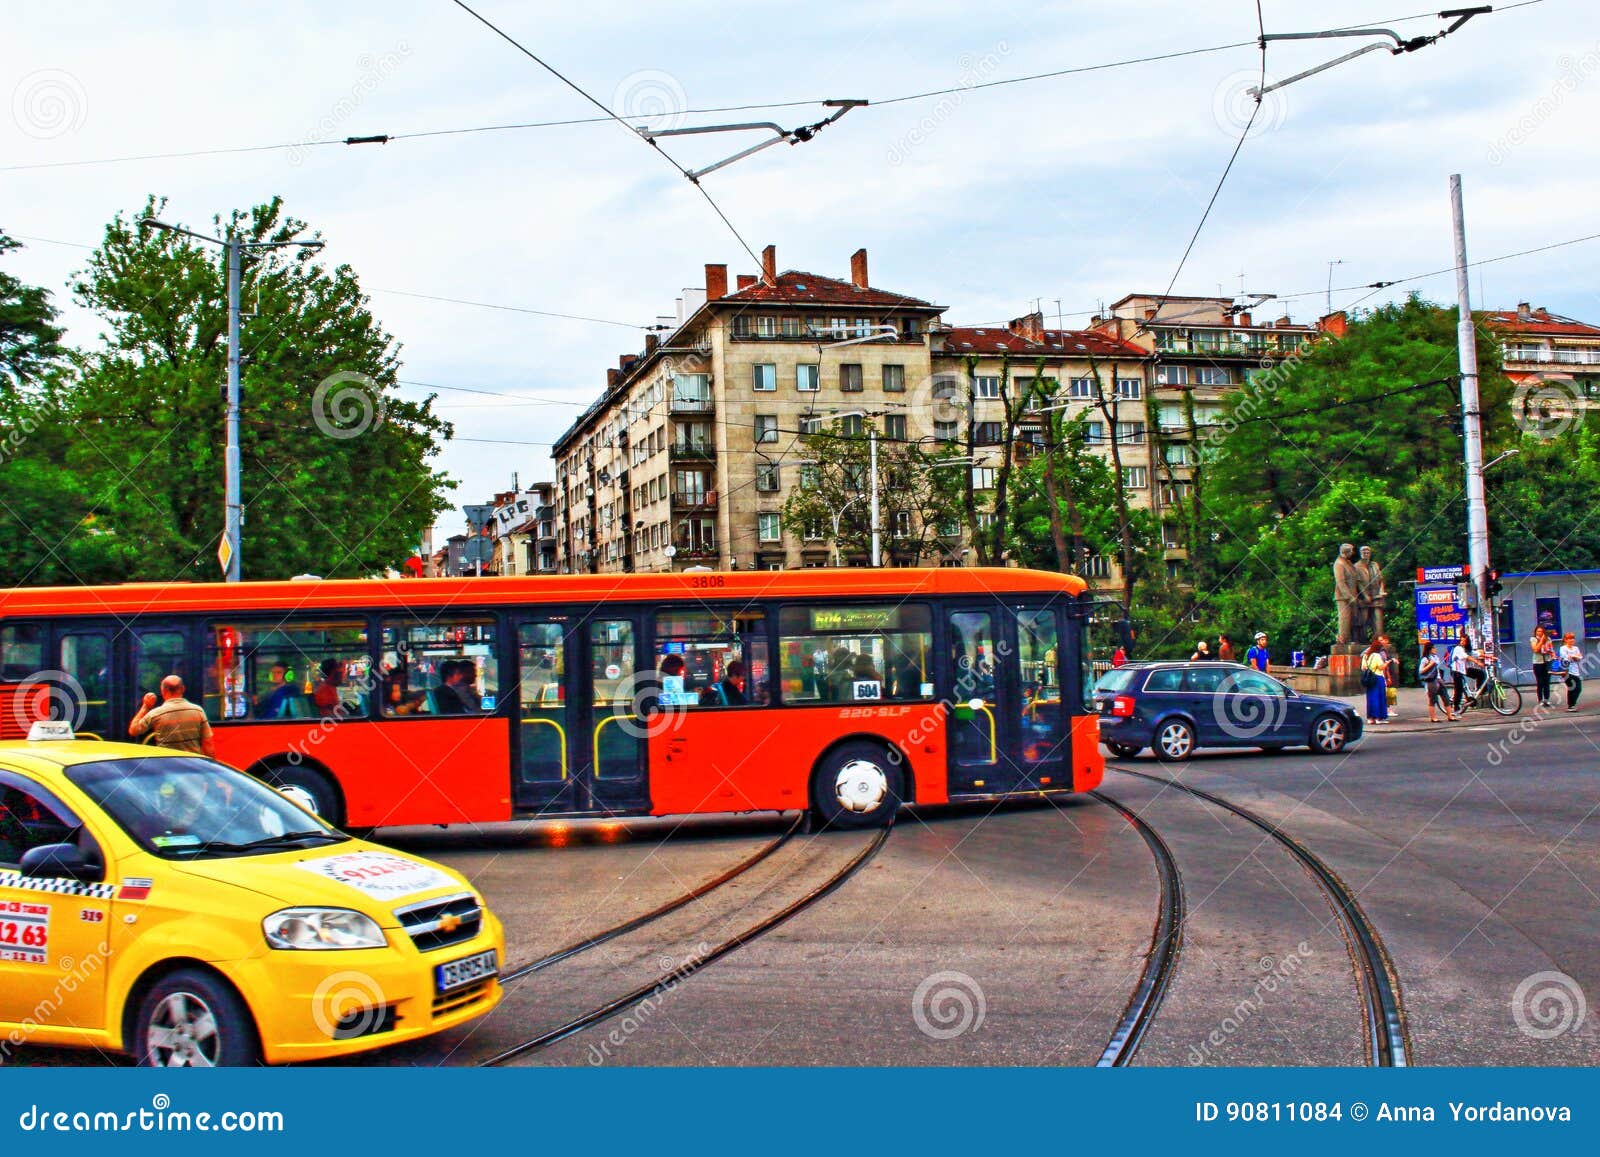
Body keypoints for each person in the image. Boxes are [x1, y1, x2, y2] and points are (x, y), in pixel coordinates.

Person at [128, 675, 216, 756]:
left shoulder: (156, 714)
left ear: (163, 691)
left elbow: (133, 730)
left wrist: (145, 706)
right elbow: (207, 743)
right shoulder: (198, 711)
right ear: (182, 689)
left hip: (169, 765)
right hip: (192, 764)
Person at [1418, 641, 1456, 723]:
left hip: (1438, 679)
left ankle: (1450, 716)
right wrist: (1430, 664)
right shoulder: (1425, 659)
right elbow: (1421, 671)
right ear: (1429, 649)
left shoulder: (1435, 657)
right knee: (1433, 699)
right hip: (1431, 681)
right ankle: (1433, 717)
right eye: (1433, 648)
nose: (1435, 649)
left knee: (1445, 697)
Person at [1449, 635, 1484, 712]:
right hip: (1456, 671)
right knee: (1459, 690)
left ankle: (1478, 692)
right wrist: (1477, 662)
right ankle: (1456, 710)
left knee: (1481, 673)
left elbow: (1475, 654)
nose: (1462, 642)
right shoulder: (1458, 648)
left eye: (1464, 641)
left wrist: (1490, 657)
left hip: (1464, 670)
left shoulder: (1466, 649)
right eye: (1461, 640)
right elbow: (1467, 657)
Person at [1361, 640, 1389, 725]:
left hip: (1369, 678)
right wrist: (1387, 663)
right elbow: (1381, 667)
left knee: (1370, 698)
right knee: (1379, 697)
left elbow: (1363, 668)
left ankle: (1370, 718)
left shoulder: (1366, 655)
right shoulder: (1377, 655)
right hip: (1377, 677)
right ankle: (1378, 718)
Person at [1530, 625, 1556, 708]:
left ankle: (1547, 699)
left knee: (1547, 682)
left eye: (1541, 631)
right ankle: (1540, 699)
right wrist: (1541, 640)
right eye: (1538, 631)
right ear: (1535, 632)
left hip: (1547, 661)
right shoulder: (1533, 639)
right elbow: (1535, 649)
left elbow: (1551, 650)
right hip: (1538, 663)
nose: (1540, 633)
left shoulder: (1548, 639)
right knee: (1540, 682)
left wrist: (1553, 656)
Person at [1559, 632, 1583, 712]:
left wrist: (1574, 657)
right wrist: (1574, 657)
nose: (1571, 640)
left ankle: (1571, 705)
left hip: (1575, 671)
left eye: (1572, 638)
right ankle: (1571, 705)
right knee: (1572, 688)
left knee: (1577, 688)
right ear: (1565, 640)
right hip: (1567, 671)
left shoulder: (1576, 648)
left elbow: (1580, 657)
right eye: (1569, 638)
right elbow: (1566, 658)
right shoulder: (1563, 648)